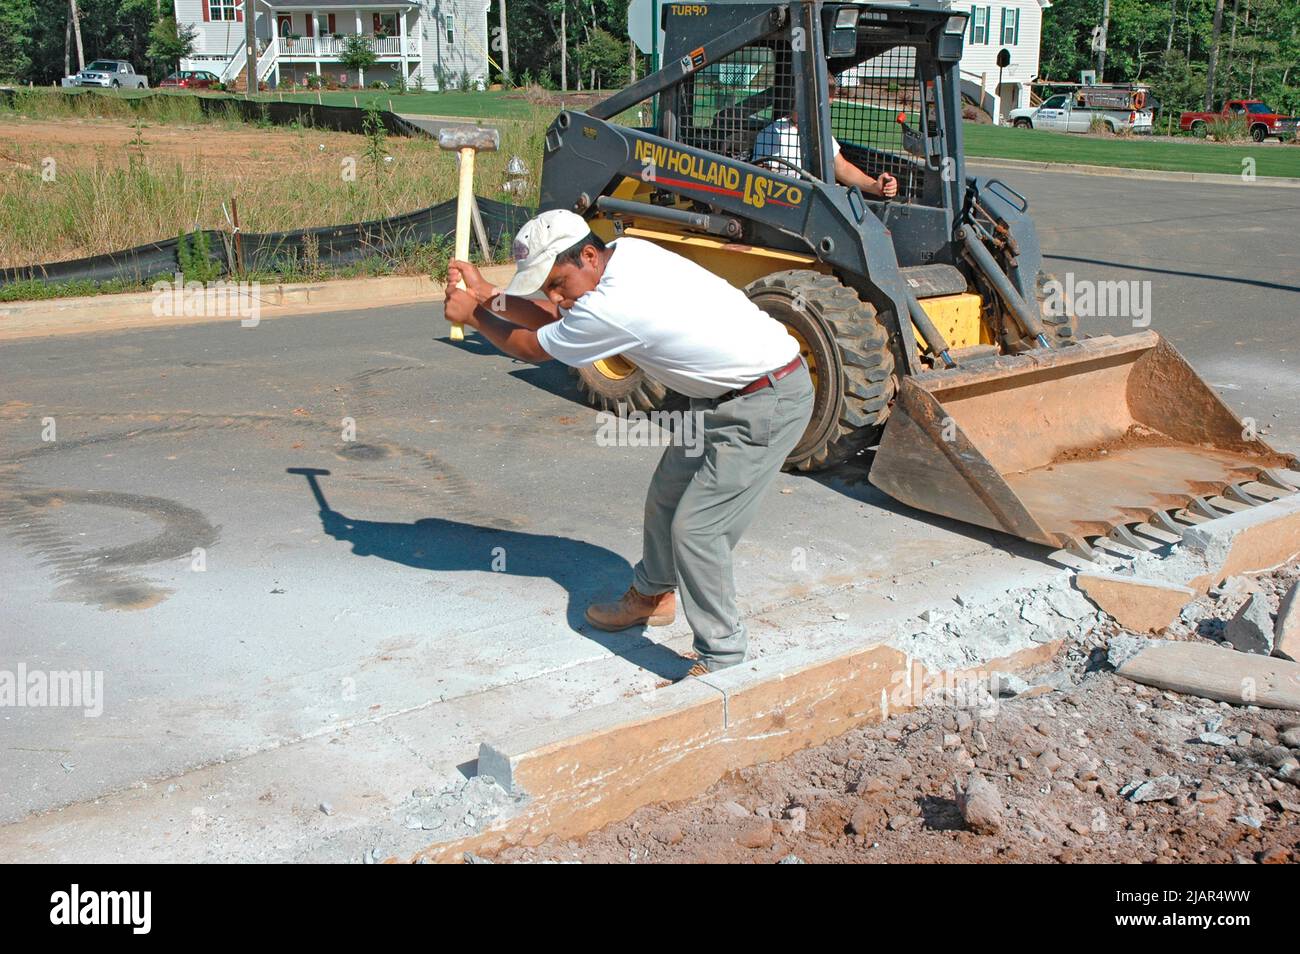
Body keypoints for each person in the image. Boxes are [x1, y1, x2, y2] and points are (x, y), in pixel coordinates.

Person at [443, 209, 815, 677]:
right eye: (547, 287)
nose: (555, 296)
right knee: (666, 499)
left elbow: (534, 345)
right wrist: (487, 296)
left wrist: (476, 316)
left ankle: (724, 659)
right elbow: (551, 317)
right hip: (720, 398)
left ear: (589, 255)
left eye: (557, 282)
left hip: (767, 400)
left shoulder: (612, 305)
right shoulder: (625, 257)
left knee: (698, 530)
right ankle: (651, 596)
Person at [753, 76, 899, 198]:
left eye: (828, 106)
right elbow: (763, 182)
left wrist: (875, 186)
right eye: (822, 105)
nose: (825, 111)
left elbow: (842, 169)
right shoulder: (772, 134)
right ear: (804, 98)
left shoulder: (820, 134)